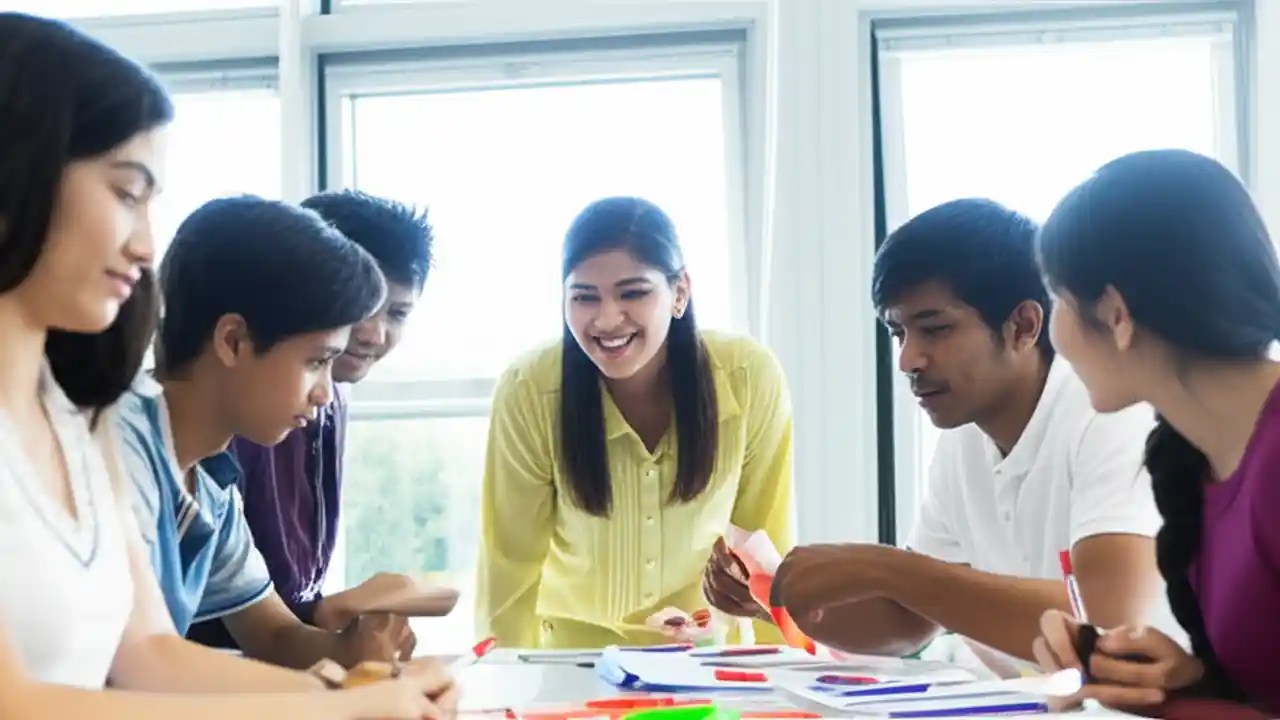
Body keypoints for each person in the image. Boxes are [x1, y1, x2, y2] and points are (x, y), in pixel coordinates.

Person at [0, 11, 453, 719]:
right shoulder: (118, 430)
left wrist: (366, 692)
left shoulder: (77, 421)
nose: (147, 247)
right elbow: (16, 702)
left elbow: (149, 653)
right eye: (126, 193)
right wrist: (337, 708)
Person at [715, 198, 1169, 667]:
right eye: (898, 333)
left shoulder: (1108, 415)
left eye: (935, 329)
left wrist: (886, 568)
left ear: (1024, 326)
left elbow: (1103, 624)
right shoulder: (963, 440)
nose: (908, 360)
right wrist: (778, 595)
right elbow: (907, 624)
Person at [477, 196, 794, 648]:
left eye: (633, 293)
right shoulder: (530, 389)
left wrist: (776, 682)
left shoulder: (747, 378)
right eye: (584, 297)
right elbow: (508, 565)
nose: (607, 319)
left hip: (707, 659)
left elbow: (766, 547)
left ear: (679, 291)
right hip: (571, 660)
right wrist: (501, 687)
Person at [1033, 150, 1280, 715]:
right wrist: (1179, 683)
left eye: (1057, 299)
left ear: (1117, 315)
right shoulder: (1199, 461)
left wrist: (1178, 706)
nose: (1055, 333)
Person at [188, 190, 453, 652]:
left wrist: (343, 644)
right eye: (316, 360)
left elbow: (268, 625)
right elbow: (161, 650)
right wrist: (327, 624)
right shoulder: (222, 421)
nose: (373, 333)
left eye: (397, 312)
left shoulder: (319, 399)